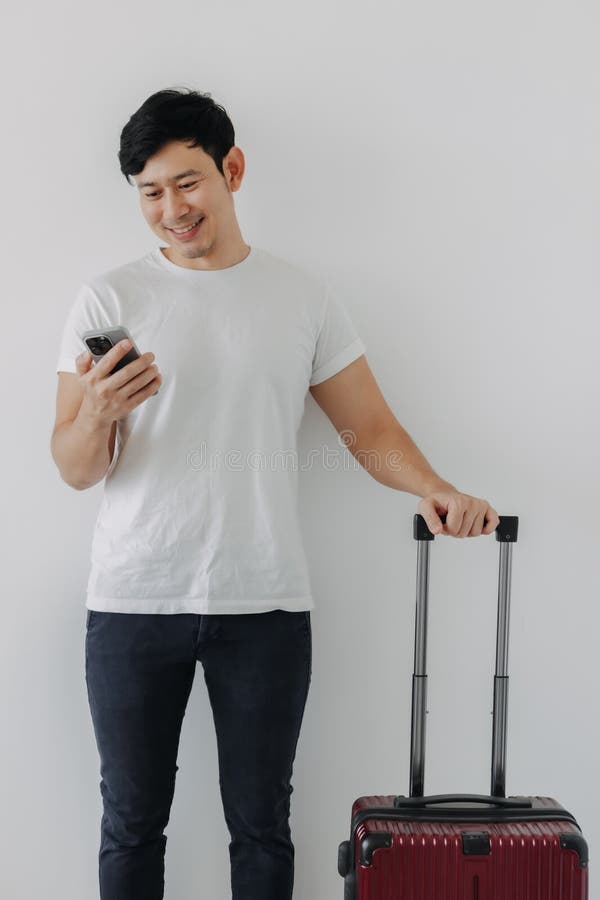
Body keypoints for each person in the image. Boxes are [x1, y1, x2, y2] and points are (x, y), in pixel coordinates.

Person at [51, 87, 499, 900]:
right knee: (131, 824)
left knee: (261, 827)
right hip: (132, 600)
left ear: (233, 169)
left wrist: (435, 488)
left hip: (264, 604)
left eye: (187, 182)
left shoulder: (302, 297)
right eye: (150, 192)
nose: (171, 209)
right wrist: (99, 412)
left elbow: (368, 430)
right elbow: (75, 467)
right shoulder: (108, 300)